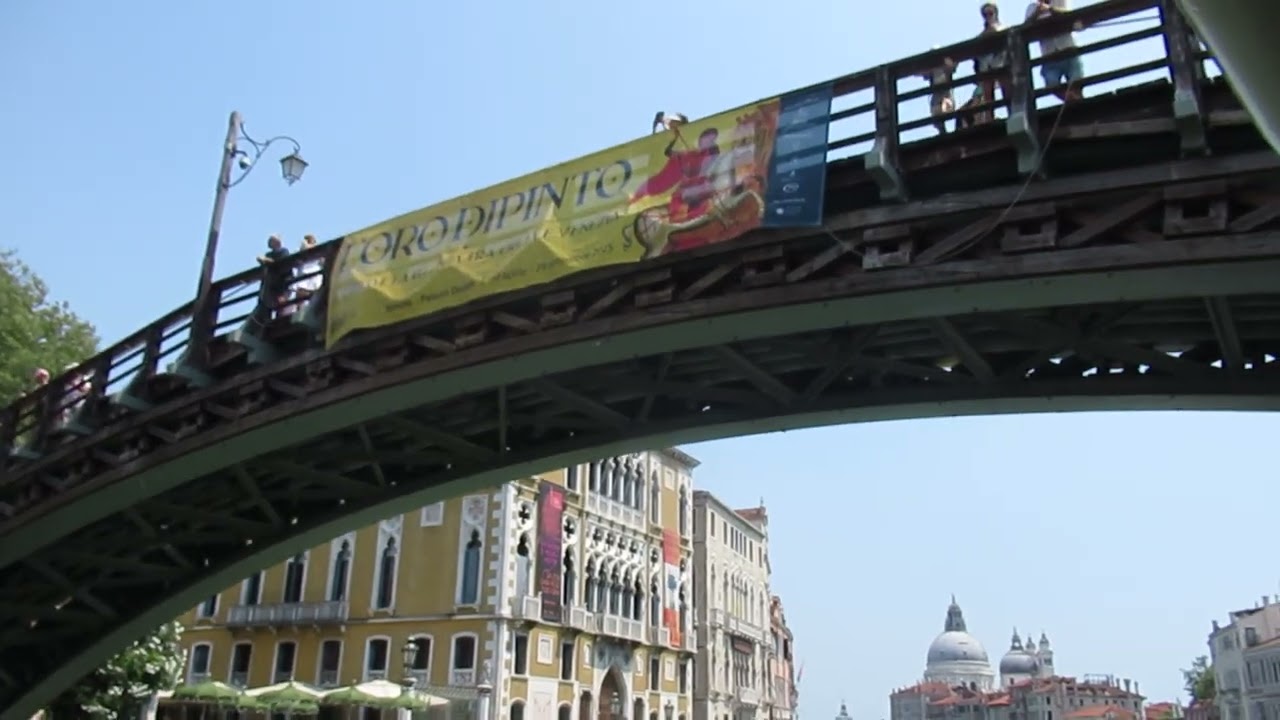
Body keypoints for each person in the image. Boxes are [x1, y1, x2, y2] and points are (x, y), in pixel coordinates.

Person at [1025, 0, 1084, 101]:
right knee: (1051, 83)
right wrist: (1036, 14)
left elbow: (1068, 14)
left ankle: (1076, 101)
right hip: (1049, 55)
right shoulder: (1032, 7)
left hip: (1068, 49)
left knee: (1076, 81)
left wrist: (1050, 9)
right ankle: (1072, 101)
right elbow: (1026, 29)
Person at [975, 2, 1010, 124]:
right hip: (987, 64)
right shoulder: (982, 33)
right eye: (985, 14)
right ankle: (989, 118)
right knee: (988, 93)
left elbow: (997, 31)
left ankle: (1011, 114)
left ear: (995, 13)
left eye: (990, 13)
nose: (988, 16)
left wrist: (991, 29)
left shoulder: (1002, 27)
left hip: (1001, 61)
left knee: (1006, 91)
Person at [256, 234, 293, 319]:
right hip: (270, 286)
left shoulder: (284, 251)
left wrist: (265, 260)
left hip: (281, 285)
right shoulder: (268, 254)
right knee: (266, 305)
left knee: (281, 306)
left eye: (271, 241)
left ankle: (281, 320)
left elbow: (280, 263)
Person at [921, 51, 957, 134]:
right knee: (936, 113)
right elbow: (923, 74)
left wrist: (947, 62)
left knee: (945, 109)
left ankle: (944, 130)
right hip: (936, 93)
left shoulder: (945, 64)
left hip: (946, 93)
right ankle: (942, 131)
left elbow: (953, 67)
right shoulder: (932, 67)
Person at [293, 234, 323, 310]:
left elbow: (322, 260)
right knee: (301, 297)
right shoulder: (300, 249)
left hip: (314, 276)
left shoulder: (318, 249)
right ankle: (300, 311)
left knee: (315, 297)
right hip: (303, 275)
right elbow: (295, 262)